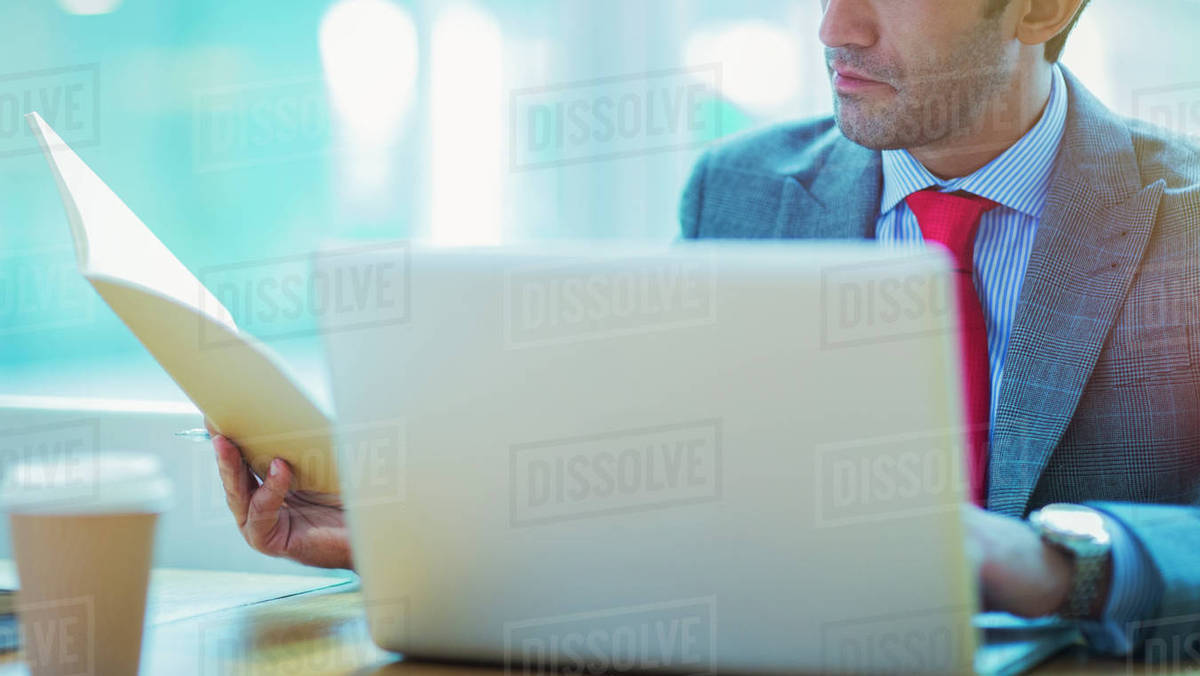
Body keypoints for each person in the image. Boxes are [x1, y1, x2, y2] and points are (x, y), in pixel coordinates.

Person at [213, 0, 1200, 658]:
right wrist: (410, 533)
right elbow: (675, 508)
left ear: (1041, 7)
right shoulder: (738, 193)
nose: (835, 26)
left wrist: (1059, 560)